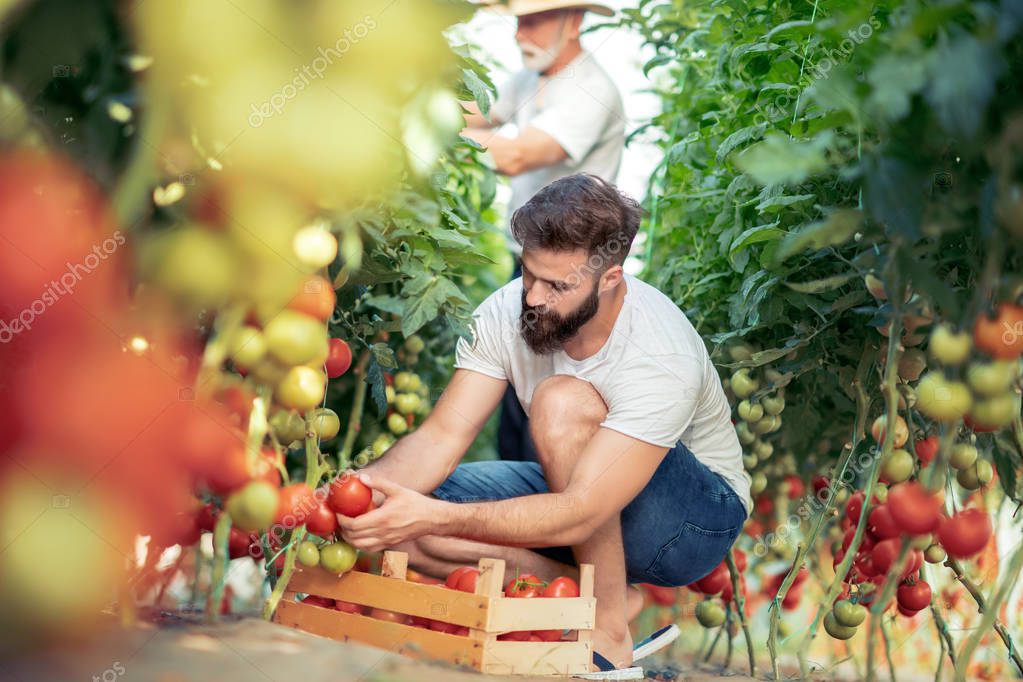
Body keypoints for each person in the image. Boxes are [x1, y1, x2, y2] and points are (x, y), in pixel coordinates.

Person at [337, 174, 752, 679]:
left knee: (559, 403)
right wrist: (360, 494)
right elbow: (440, 437)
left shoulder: (660, 354)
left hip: (688, 524)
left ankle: (608, 635)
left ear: (610, 279)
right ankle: (610, 596)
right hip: (580, 494)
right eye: (529, 273)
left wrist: (432, 516)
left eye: (557, 285)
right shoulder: (506, 311)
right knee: (392, 524)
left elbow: (580, 512)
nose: (533, 298)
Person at [462, 0, 626, 466]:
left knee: (551, 399)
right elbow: (477, 114)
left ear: (573, 22)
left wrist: (431, 129)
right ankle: (517, 513)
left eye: (533, 21)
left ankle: (553, 521)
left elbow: (515, 155)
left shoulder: (589, 90)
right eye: (518, 21)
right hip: (533, 263)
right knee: (517, 392)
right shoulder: (532, 80)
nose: (520, 34)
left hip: (569, 276)